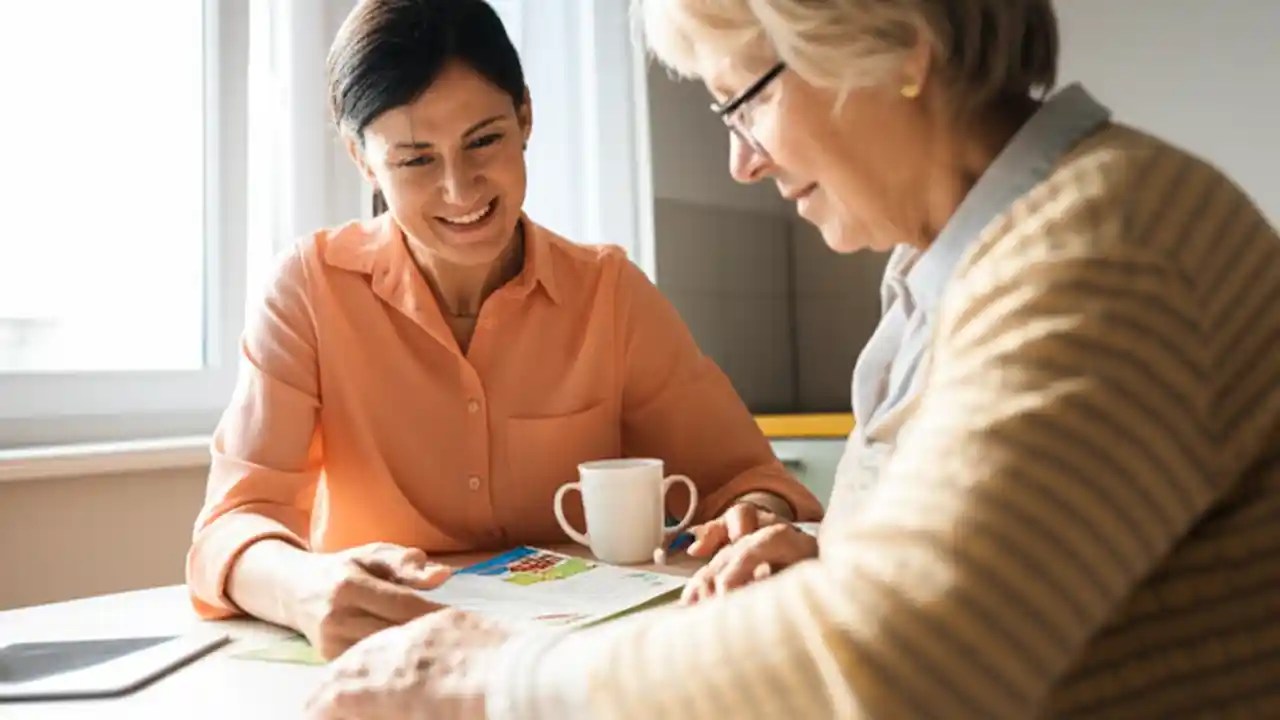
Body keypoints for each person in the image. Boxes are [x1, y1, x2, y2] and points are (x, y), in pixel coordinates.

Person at [303, 0, 1280, 717]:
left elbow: (906, 666)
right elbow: (1005, 572)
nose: (742, 161)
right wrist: (834, 556)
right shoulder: (964, 265)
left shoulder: (1099, 246)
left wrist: (495, 681)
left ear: (894, 44)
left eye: (745, 102)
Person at [186, 0, 823, 661]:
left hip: (575, 669)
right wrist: (306, 589)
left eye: (483, 139)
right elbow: (232, 527)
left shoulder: (608, 293)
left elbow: (752, 480)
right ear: (363, 159)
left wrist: (758, 515)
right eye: (415, 160)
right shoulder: (308, 290)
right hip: (389, 665)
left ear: (524, 117)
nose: (461, 189)